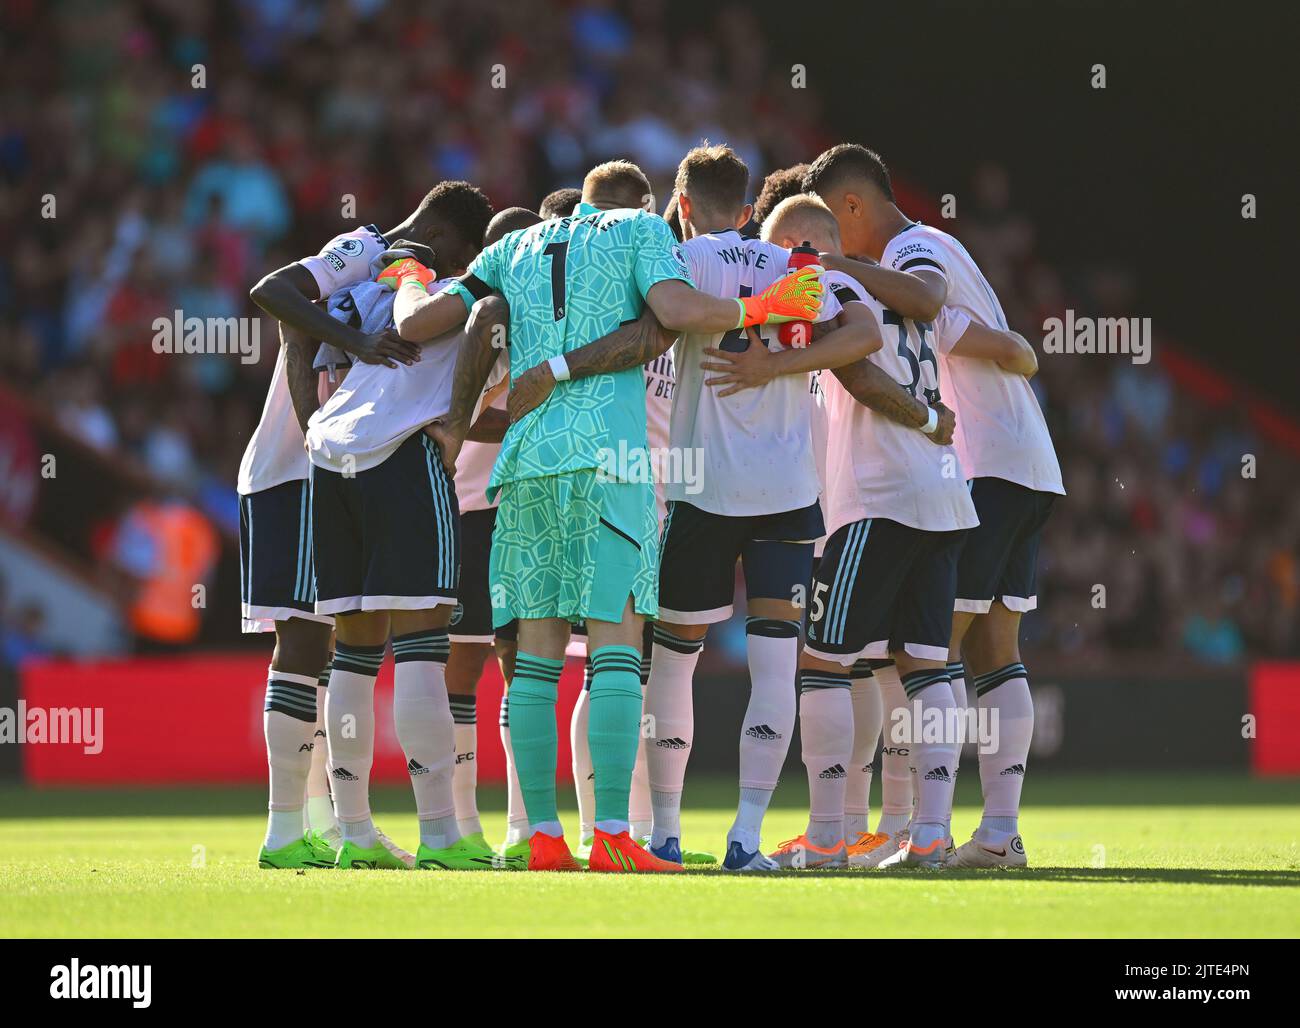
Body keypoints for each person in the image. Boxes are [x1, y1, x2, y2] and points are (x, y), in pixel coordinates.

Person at [394, 158, 824, 871]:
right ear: (647, 202)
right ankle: (616, 837)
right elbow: (681, 313)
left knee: (531, 662)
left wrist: (405, 273)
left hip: (528, 459)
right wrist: (765, 305)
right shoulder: (637, 230)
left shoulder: (513, 247)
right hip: (611, 459)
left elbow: (422, 321)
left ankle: (539, 837)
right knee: (616, 649)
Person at [805, 144, 1057, 867]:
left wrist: (836, 268)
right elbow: (992, 341)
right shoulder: (940, 243)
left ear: (853, 207)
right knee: (991, 652)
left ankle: (911, 827)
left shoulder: (912, 249)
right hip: (1025, 462)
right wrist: (1013, 349)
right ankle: (996, 834)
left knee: (920, 653)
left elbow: (928, 302)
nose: (829, 243)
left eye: (832, 225)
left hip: (977, 467)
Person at [247, 183, 482, 869]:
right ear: (451, 239)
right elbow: (277, 300)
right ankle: (417, 832)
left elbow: (297, 326)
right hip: (311, 465)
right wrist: (359, 346)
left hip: (324, 460)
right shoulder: (368, 253)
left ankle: (344, 832)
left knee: (345, 648)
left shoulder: (391, 269)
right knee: (368, 642)